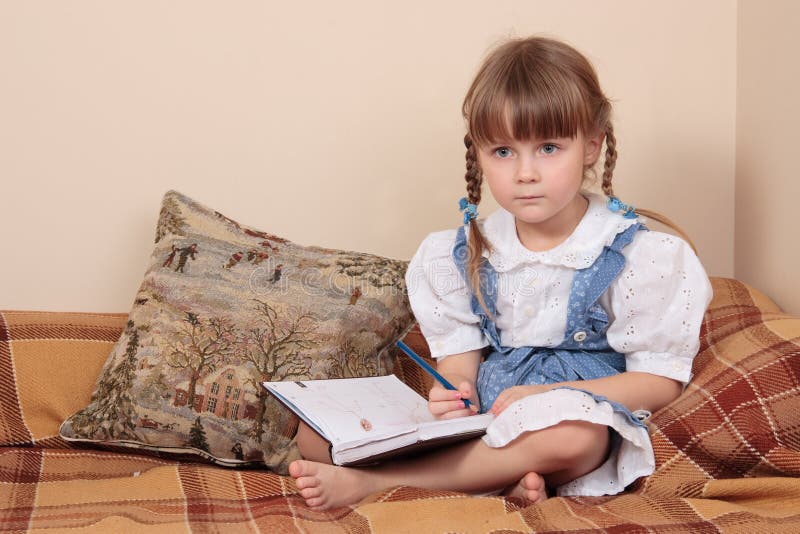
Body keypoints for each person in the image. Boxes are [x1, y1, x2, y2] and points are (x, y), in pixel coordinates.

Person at [288, 35, 713, 511]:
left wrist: (554, 392)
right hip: (487, 419)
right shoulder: (463, 252)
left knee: (575, 438)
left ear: (591, 147)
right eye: (504, 152)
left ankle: (378, 483)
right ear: (480, 153)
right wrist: (453, 391)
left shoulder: (640, 255)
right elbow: (458, 362)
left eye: (548, 148)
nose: (525, 173)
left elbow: (659, 382)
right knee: (313, 433)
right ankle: (499, 480)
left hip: (568, 417)